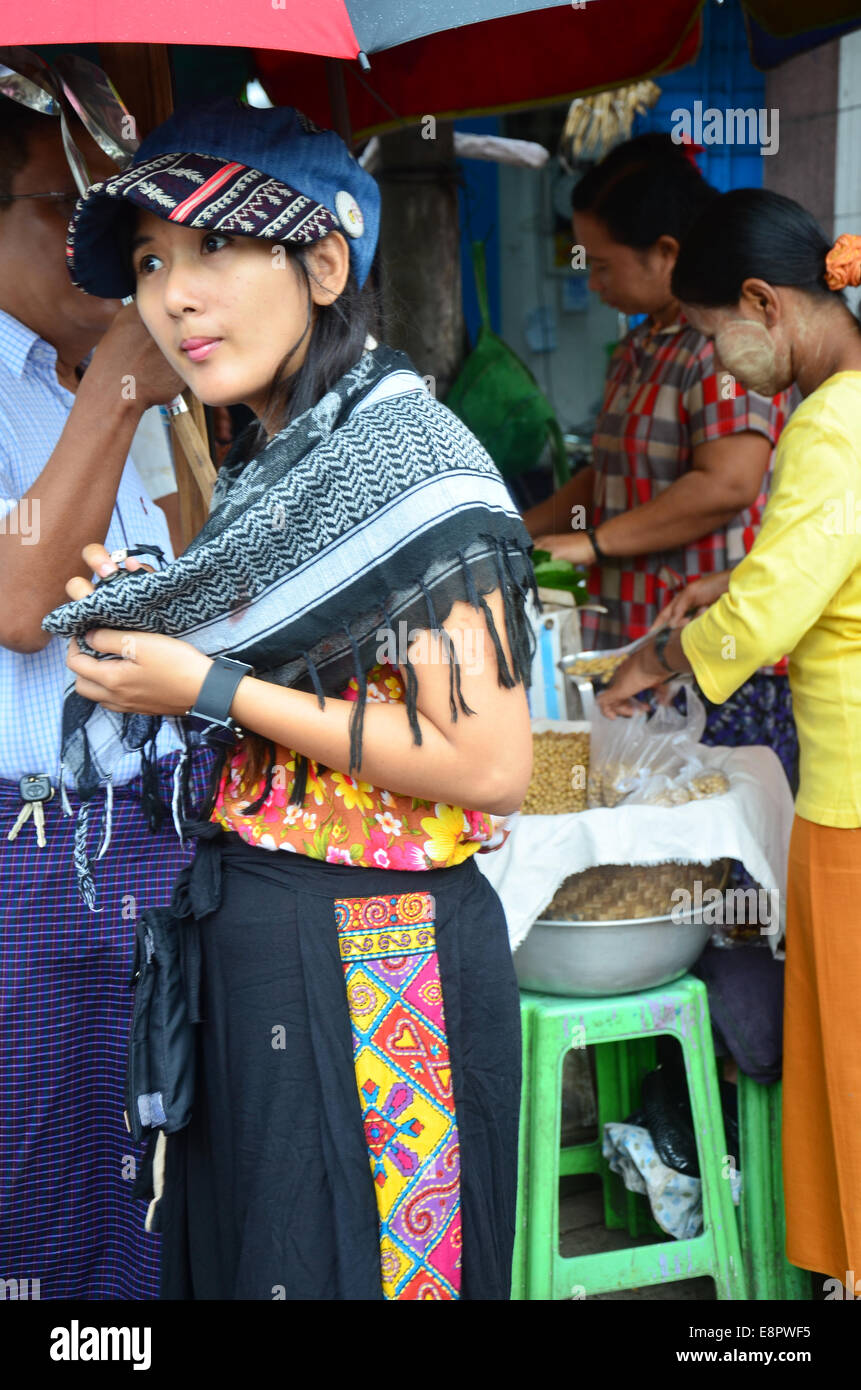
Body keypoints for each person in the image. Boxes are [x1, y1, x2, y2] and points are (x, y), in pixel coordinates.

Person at [49, 99, 534, 1301]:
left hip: (383, 962)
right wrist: (162, 617)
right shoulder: (284, 465)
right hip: (263, 938)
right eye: (153, 263)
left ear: (325, 261)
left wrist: (205, 678)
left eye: (217, 246)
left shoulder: (409, 463)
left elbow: (483, 762)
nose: (175, 295)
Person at [599, 187, 861, 1286]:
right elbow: (803, 570)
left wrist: (651, 661)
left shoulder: (833, 418)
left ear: (764, 302)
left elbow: (774, 611)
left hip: (851, 802)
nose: (722, 362)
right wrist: (725, 583)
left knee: (850, 1066)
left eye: (716, 335)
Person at [0, 98, 215, 1300]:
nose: (108, 252)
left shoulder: (97, 381)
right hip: (24, 850)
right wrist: (117, 395)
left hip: (138, 827)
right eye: (68, 214)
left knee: (146, 1165)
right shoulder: (85, 391)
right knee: (32, 1172)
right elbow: (20, 602)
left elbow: (170, 581)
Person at [523, 135, 798, 784]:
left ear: (666, 254)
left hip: (713, 653)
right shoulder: (640, 347)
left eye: (603, 266)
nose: (591, 285)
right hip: (635, 640)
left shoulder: (723, 343)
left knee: (716, 848)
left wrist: (591, 545)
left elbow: (727, 483)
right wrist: (518, 531)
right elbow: (607, 474)